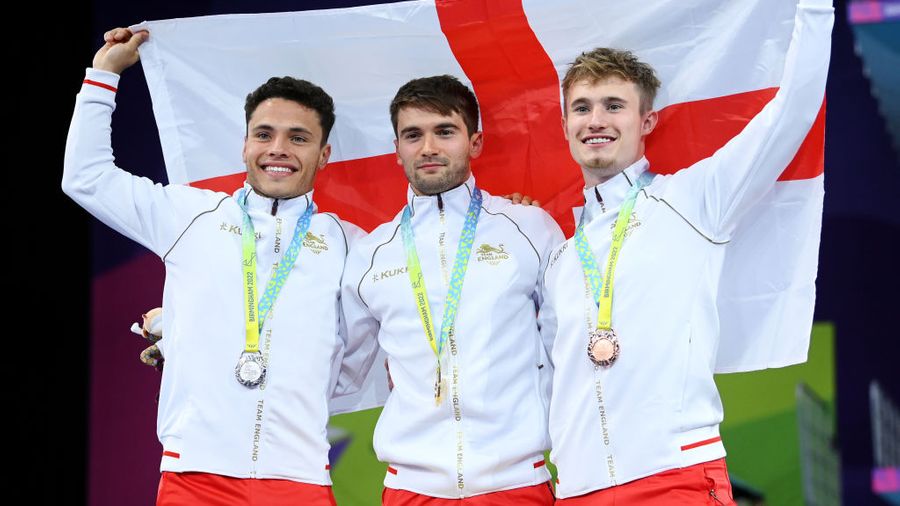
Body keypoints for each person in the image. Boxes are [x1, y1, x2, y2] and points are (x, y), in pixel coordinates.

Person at [539, 1, 833, 503]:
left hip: (675, 476)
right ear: (564, 124)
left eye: (614, 105)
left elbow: (791, 113)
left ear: (646, 119)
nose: (596, 120)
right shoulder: (561, 257)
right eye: (581, 107)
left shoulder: (694, 200)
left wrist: (816, 8)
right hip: (578, 489)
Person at [63, 27, 361, 505]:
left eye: (298, 137)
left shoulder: (352, 246)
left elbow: (374, 343)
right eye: (264, 134)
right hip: (195, 478)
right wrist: (104, 75)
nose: (278, 148)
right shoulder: (190, 216)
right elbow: (87, 178)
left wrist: (515, 213)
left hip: (301, 478)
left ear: (323, 155)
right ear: (244, 145)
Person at [340, 75, 564, 504]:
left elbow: (568, 344)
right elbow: (334, 369)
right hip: (411, 488)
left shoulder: (529, 229)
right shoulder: (371, 254)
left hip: (516, 483)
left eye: (444, 131)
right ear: (397, 149)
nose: (428, 148)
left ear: (474, 142)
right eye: (413, 135)